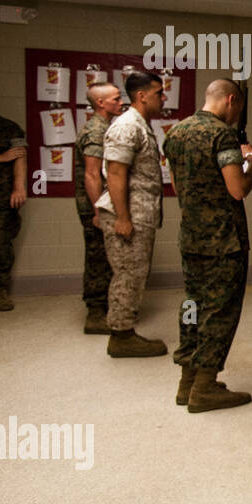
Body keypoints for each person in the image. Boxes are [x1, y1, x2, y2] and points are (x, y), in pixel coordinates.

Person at [164, 79, 252, 412]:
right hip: (223, 240)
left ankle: (187, 380)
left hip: (191, 236)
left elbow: (179, 188)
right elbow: (237, 190)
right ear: (231, 100)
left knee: (192, 305)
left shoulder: (176, 133)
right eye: (237, 108)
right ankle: (205, 386)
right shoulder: (221, 135)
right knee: (219, 311)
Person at [95, 70, 167, 356]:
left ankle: (123, 330)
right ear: (142, 95)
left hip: (140, 213)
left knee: (134, 273)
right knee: (128, 274)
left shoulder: (140, 124)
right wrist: (123, 218)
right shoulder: (127, 126)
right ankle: (122, 336)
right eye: (159, 93)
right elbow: (115, 172)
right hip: (129, 214)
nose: (163, 98)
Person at [75, 82, 123, 332]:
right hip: (96, 206)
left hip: (103, 203)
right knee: (97, 257)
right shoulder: (96, 130)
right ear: (101, 103)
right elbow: (92, 174)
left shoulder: (106, 127)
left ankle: (105, 308)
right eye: (115, 99)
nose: (120, 102)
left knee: (106, 256)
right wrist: (97, 212)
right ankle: (95, 313)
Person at [0, 100, 27, 311]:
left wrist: (19, 188)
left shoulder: (9, 127)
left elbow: (20, 157)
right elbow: (9, 156)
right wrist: (0, 157)